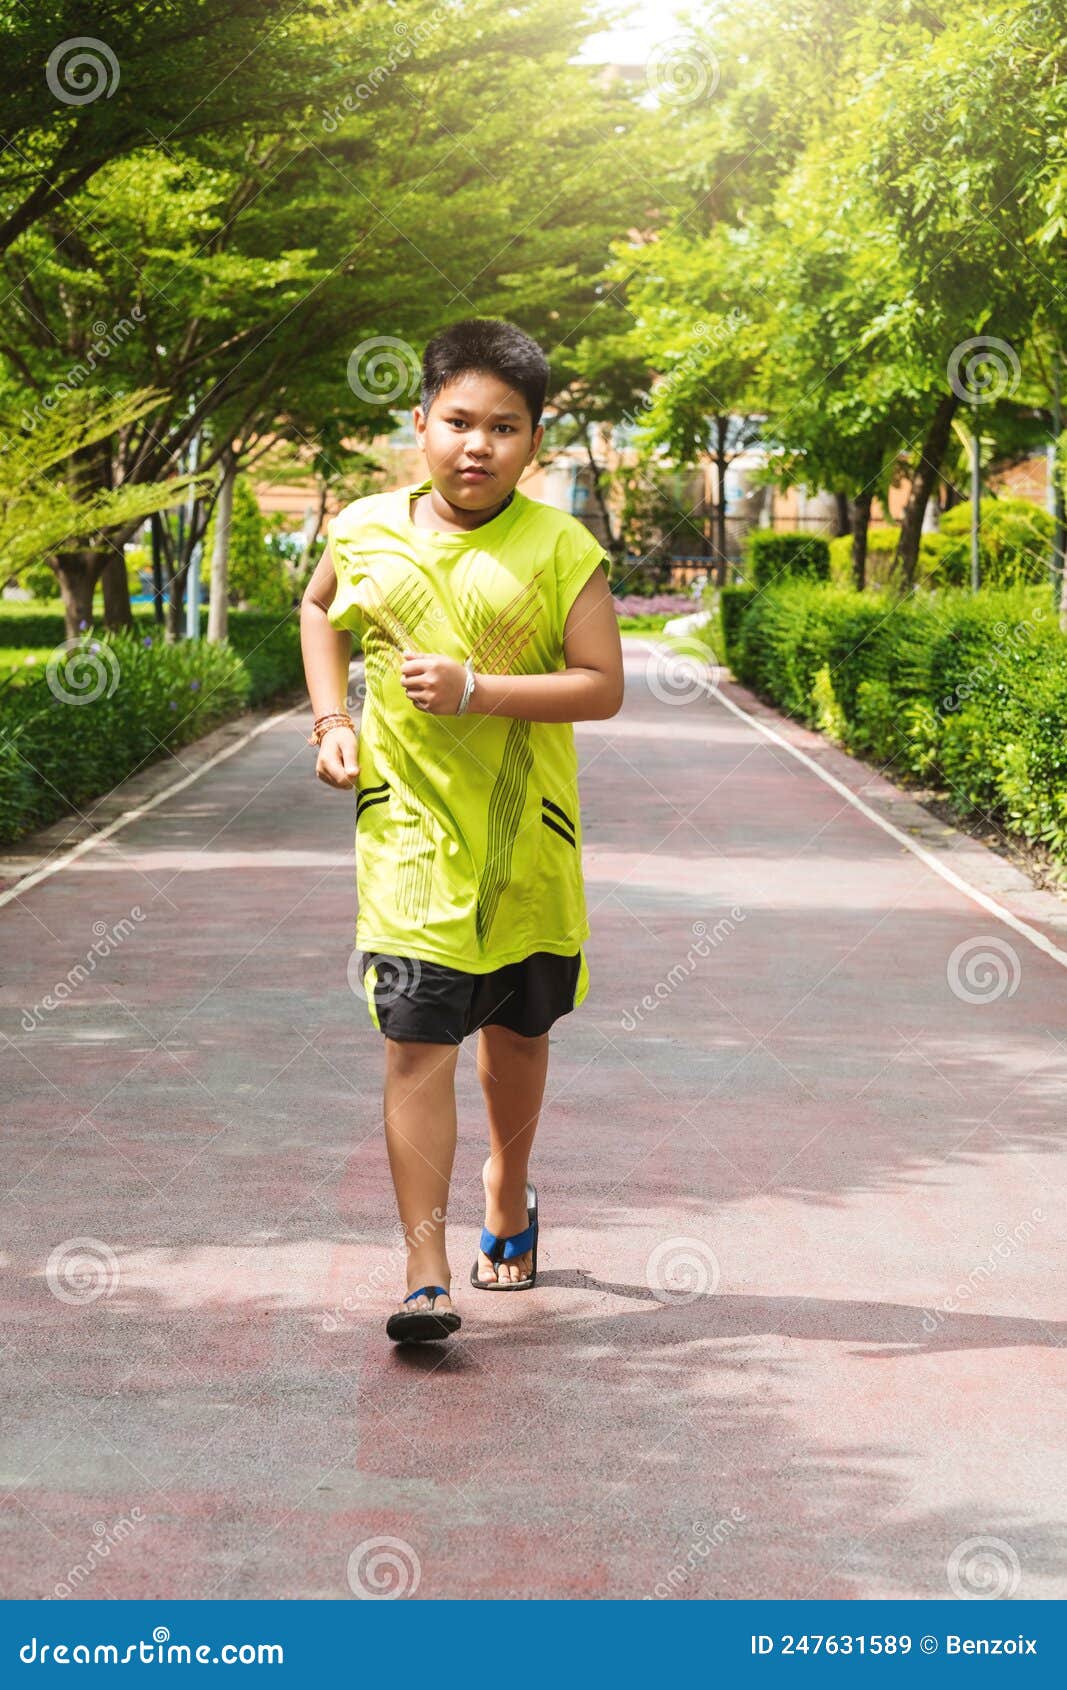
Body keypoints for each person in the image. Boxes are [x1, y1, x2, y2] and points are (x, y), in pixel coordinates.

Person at [300, 317, 624, 1344]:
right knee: (412, 1043)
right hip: (405, 847)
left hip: (524, 849)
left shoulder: (559, 546)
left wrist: (479, 687)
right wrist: (331, 718)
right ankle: (423, 1268)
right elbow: (319, 610)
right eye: (457, 422)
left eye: (504, 427)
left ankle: (507, 1189)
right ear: (420, 422)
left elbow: (602, 686)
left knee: (517, 1039)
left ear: (535, 442)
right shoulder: (360, 530)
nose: (476, 446)